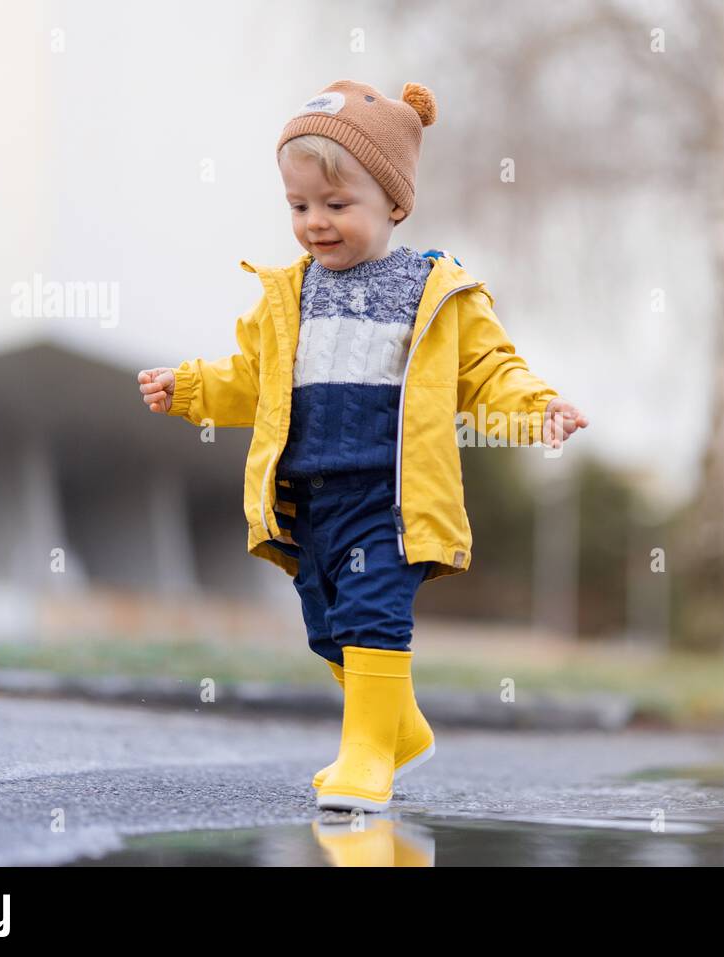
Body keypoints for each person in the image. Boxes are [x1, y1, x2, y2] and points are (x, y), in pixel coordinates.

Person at [136, 79, 588, 812]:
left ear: (394, 203)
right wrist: (190, 389)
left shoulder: (431, 291)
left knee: (376, 613)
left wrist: (536, 409)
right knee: (330, 628)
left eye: (335, 205)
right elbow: (251, 379)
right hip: (309, 499)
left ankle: (369, 749)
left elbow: (488, 371)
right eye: (299, 206)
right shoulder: (292, 293)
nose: (315, 222)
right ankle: (399, 728)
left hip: (391, 498)